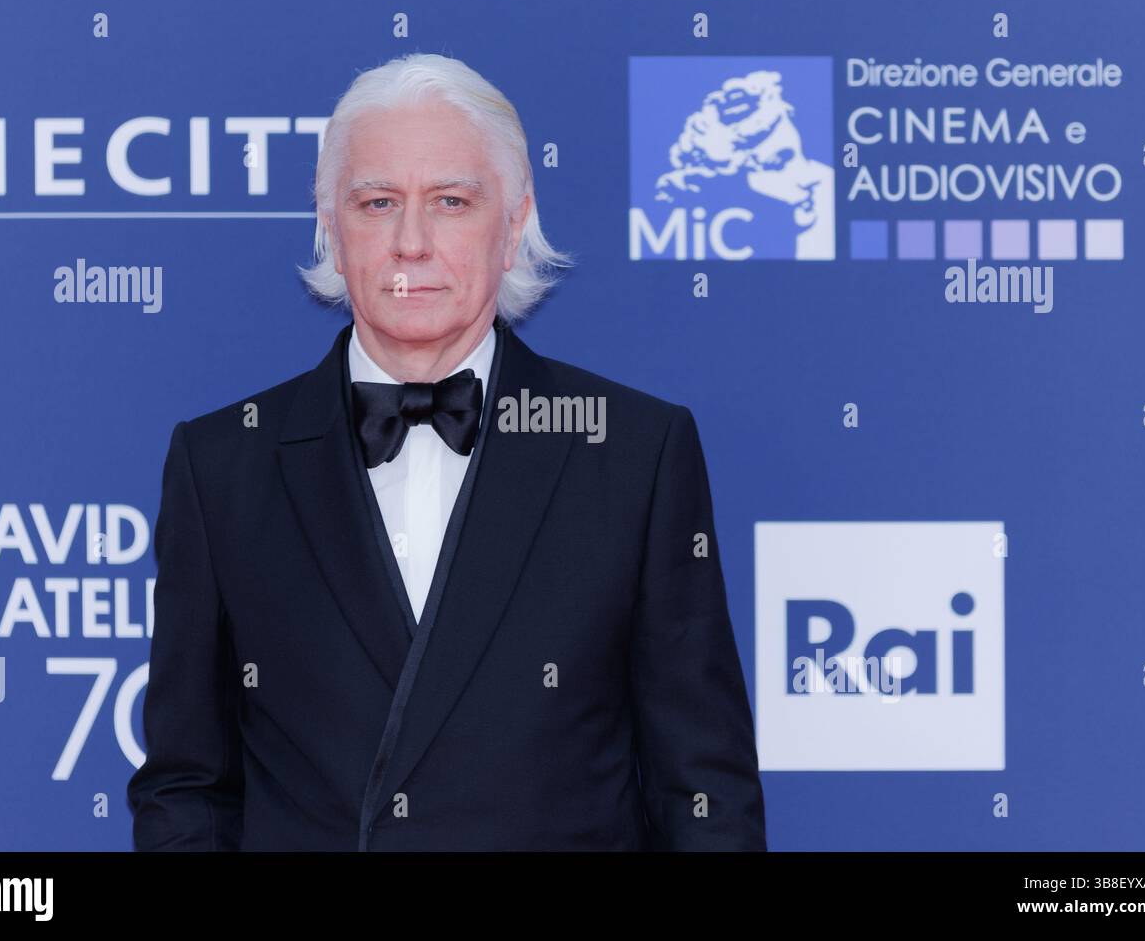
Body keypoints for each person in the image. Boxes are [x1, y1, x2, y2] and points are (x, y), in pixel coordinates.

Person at [127, 52, 765, 851]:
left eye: (452, 202)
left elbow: (703, 790)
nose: (411, 243)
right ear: (327, 222)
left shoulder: (635, 453)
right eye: (377, 201)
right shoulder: (222, 465)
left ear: (516, 223)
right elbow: (187, 787)